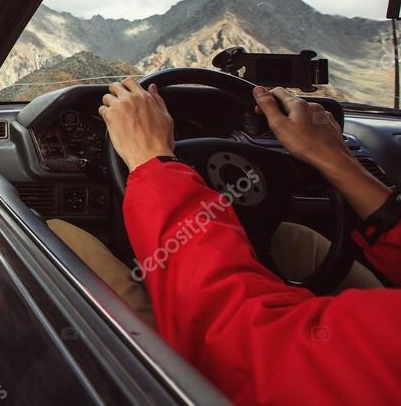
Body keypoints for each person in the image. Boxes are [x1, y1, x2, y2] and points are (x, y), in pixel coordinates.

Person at [50, 78, 401, 404]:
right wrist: (335, 159)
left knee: (57, 234)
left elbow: (236, 345)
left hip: (209, 381)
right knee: (289, 238)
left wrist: (151, 159)